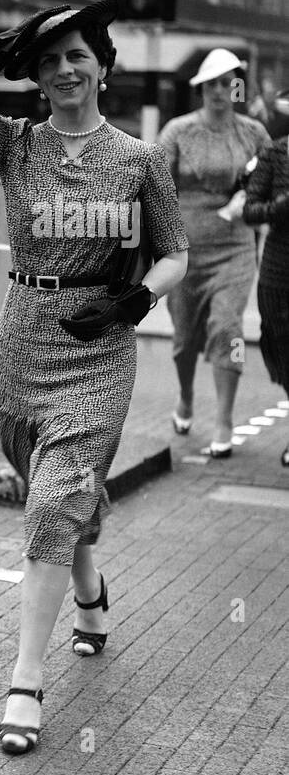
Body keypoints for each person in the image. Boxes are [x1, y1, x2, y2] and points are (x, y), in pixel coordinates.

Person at [0, 0, 188, 755]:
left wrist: (140, 295)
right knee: (55, 496)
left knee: (53, 499)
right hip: (24, 343)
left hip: (100, 350)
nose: (65, 70)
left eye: (77, 55)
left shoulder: (141, 161)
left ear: (103, 65)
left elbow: (174, 252)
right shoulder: (15, 145)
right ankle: (89, 589)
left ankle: (24, 681)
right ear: (35, 77)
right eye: (47, 61)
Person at [158, 50, 270, 457]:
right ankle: (186, 396)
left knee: (229, 329)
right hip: (184, 253)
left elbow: (270, 181)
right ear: (201, 89)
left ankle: (225, 418)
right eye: (212, 84)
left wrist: (249, 199)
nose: (221, 91)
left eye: (228, 83)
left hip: (236, 249)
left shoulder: (254, 134)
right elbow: (154, 187)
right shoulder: (177, 131)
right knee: (185, 339)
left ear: (237, 87)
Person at [242, 89, 289, 468]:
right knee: (280, 348)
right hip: (277, 272)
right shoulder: (276, 152)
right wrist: (283, 205)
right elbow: (251, 211)